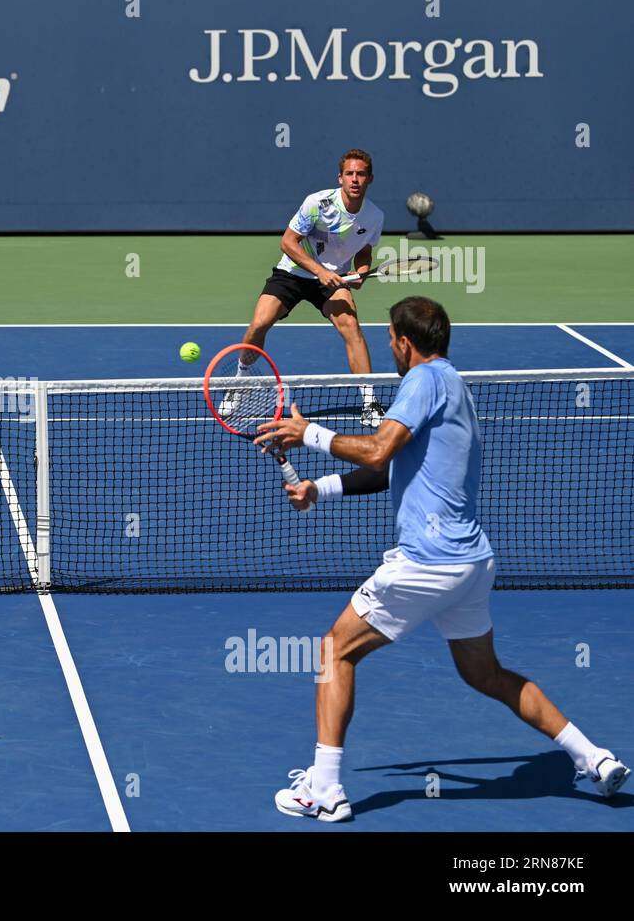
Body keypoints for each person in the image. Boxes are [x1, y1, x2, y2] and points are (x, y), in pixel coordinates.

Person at [254, 296, 628, 821]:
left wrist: (308, 433)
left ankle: (326, 790)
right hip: (470, 565)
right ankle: (593, 758)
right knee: (487, 675)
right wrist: (321, 490)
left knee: (334, 651)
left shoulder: (422, 382)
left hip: (426, 563)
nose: (388, 346)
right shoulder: (453, 385)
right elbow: (393, 468)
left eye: (389, 339)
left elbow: (380, 450)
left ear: (406, 343)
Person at [228, 149, 385, 427]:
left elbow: (364, 252)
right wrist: (319, 271)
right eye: (349, 173)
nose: (355, 179)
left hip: (333, 279)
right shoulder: (317, 203)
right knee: (259, 324)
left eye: (360, 174)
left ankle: (370, 403)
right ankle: (240, 384)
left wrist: (360, 271)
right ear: (340, 177)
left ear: (370, 178)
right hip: (293, 273)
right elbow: (288, 242)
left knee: (351, 327)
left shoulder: (374, 216)